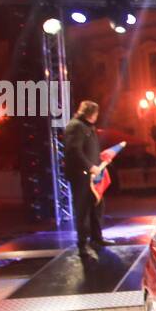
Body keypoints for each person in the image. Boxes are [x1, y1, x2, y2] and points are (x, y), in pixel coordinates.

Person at [62, 99, 108, 259]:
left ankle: (97, 238)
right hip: (81, 175)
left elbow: (90, 149)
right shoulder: (76, 126)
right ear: (89, 113)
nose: (97, 116)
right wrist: (89, 166)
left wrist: (99, 161)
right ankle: (82, 245)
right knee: (82, 210)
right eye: (95, 113)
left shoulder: (89, 127)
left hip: (93, 175)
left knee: (97, 206)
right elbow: (74, 150)